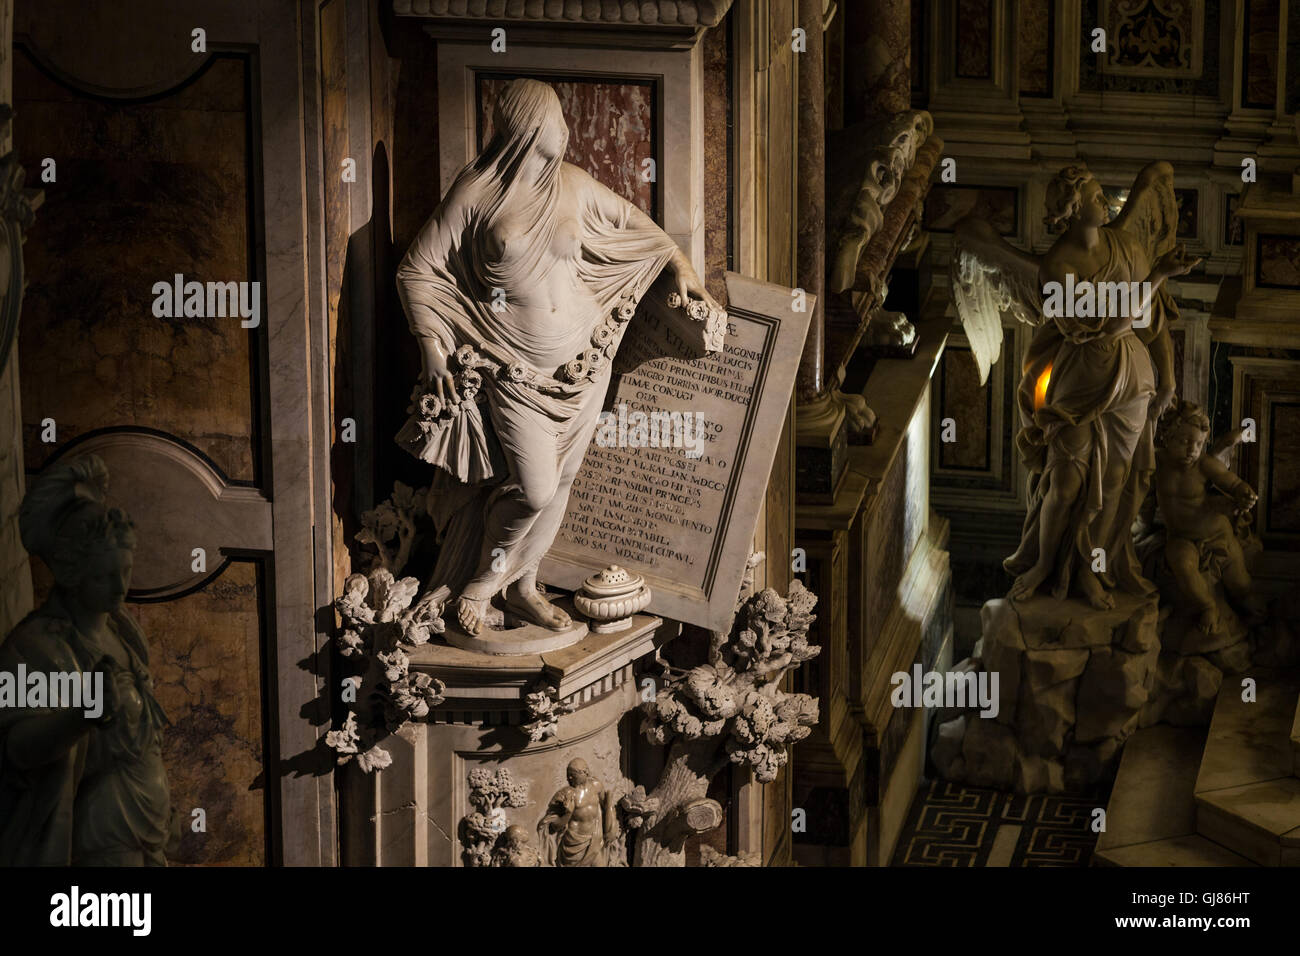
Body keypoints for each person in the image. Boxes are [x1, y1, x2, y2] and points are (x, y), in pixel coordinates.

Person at [396, 78, 718, 637]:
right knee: (536, 487)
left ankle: (522, 587)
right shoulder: (476, 192)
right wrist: (432, 350)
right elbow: (417, 269)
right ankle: (480, 583)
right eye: (551, 123)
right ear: (526, 126)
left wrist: (684, 271)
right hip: (512, 364)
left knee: (564, 481)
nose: (564, 132)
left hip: (582, 361)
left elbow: (642, 233)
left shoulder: (573, 185)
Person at [1004, 163, 1200, 609]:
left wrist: (1167, 376)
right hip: (1080, 383)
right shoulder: (1058, 266)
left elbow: (1151, 323)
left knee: (1113, 484)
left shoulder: (1126, 245)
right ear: (1072, 211)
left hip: (1133, 379)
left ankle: (1092, 572)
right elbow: (1108, 326)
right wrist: (1158, 276)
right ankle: (1043, 564)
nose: (1104, 203)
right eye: (1095, 197)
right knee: (1066, 482)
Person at [0, 455, 175, 865]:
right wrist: (81, 717)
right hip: (98, 832)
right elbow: (13, 750)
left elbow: (144, 741)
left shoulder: (124, 632)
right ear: (71, 572)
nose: (120, 587)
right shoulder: (37, 648)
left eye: (126, 571)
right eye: (104, 576)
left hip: (149, 825)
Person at [1153, 402, 1258, 633]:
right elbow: (1142, 496)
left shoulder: (1204, 464)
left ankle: (1256, 617)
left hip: (1217, 534)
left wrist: (1245, 493)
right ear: (1167, 438)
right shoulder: (1156, 463)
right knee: (1182, 564)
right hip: (1181, 537)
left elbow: (1233, 483)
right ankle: (1208, 606)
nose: (1192, 449)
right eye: (1184, 442)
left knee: (1241, 585)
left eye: (1199, 444)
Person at [536, 758, 618, 866]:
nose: (569, 778)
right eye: (568, 774)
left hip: (595, 839)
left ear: (585, 772)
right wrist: (568, 813)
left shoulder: (596, 786)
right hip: (574, 844)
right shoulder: (566, 794)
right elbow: (554, 827)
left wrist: (611, 828)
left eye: (572, 775)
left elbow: (607, 805)